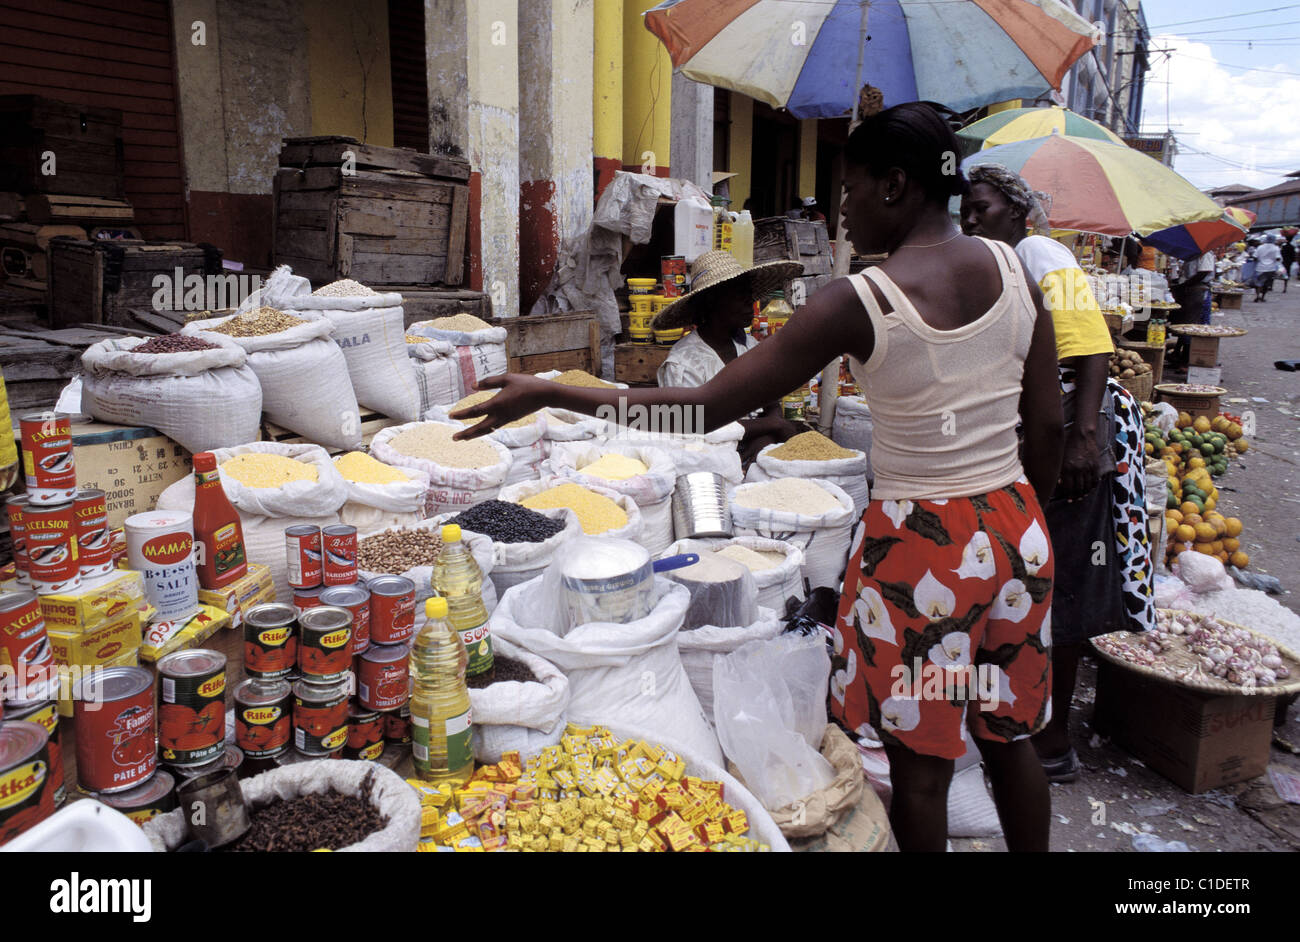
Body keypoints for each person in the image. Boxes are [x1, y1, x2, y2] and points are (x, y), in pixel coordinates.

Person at [453, 102, 1065, 852]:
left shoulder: (863, 301)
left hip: (925, 549)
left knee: (923, 764)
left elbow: (701, 411)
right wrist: (1022, 533)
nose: (843, 209)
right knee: (1008, 737)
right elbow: (1048, 427)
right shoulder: (1016, 268)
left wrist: (553, 390)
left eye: (852, 189)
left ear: (896, 185)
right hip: (1017, 527)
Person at [962, 164, 1156, 783]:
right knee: (1040, 573)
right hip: (1050, 427)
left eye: (983, 209)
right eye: (965, 210)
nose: (970, 220)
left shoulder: (1039, 250)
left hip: (1078, 424)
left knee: (1064, 577)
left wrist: (1083, 439)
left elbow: (1092, 345)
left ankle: (1052, 741)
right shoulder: (1000, 263)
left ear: (1018, 213)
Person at [652, 250, 803, 464]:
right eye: (740, 297)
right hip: (707, 459)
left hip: (753, 445)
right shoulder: (684, 363)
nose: (749, 304)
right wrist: (773, 426)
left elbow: (770, 397)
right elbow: (694, 429)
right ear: (713, 303)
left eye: (749, 295)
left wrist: (771, 427)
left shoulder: (747, 345)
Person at [1255, 234, 1284, 301]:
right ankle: (1262, 297)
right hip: (1271, 268)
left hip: (1260, 267)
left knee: (1258, 282)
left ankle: (1257, 296)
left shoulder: (1260, 247)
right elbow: (1278, 258)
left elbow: (1255, 257)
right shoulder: (1276, 248)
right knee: (1266, 283)